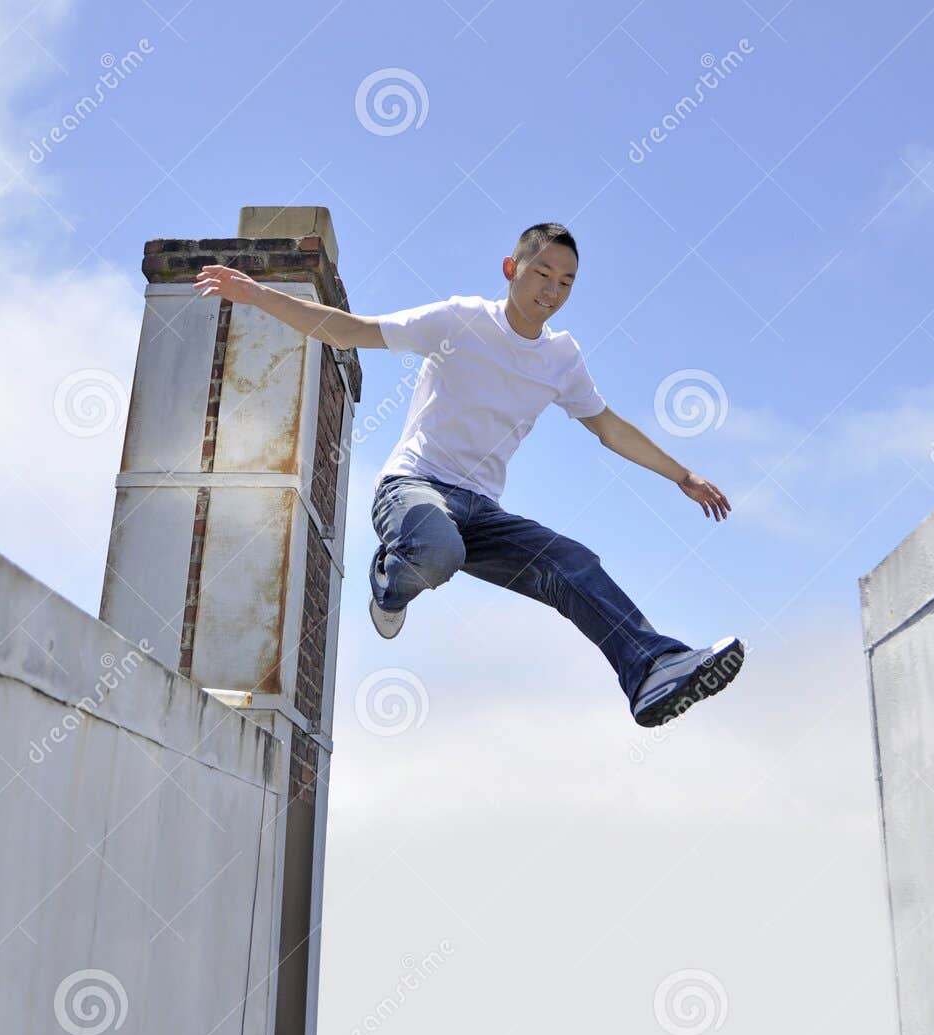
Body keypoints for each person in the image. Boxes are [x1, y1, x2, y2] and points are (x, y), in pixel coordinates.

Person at [193, 222, 743, 727]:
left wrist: (682, 474)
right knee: (437, 548)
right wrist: (259, 295)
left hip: (482, 511)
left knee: (572, 563)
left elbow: (608, 427)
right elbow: (350, 331)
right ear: (512, 269)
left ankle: (651, 670)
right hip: (413, 487)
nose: (551, 292)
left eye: (566, 283)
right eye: (542, 274)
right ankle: (389, 584)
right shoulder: (459, 320)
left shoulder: (562, 358)